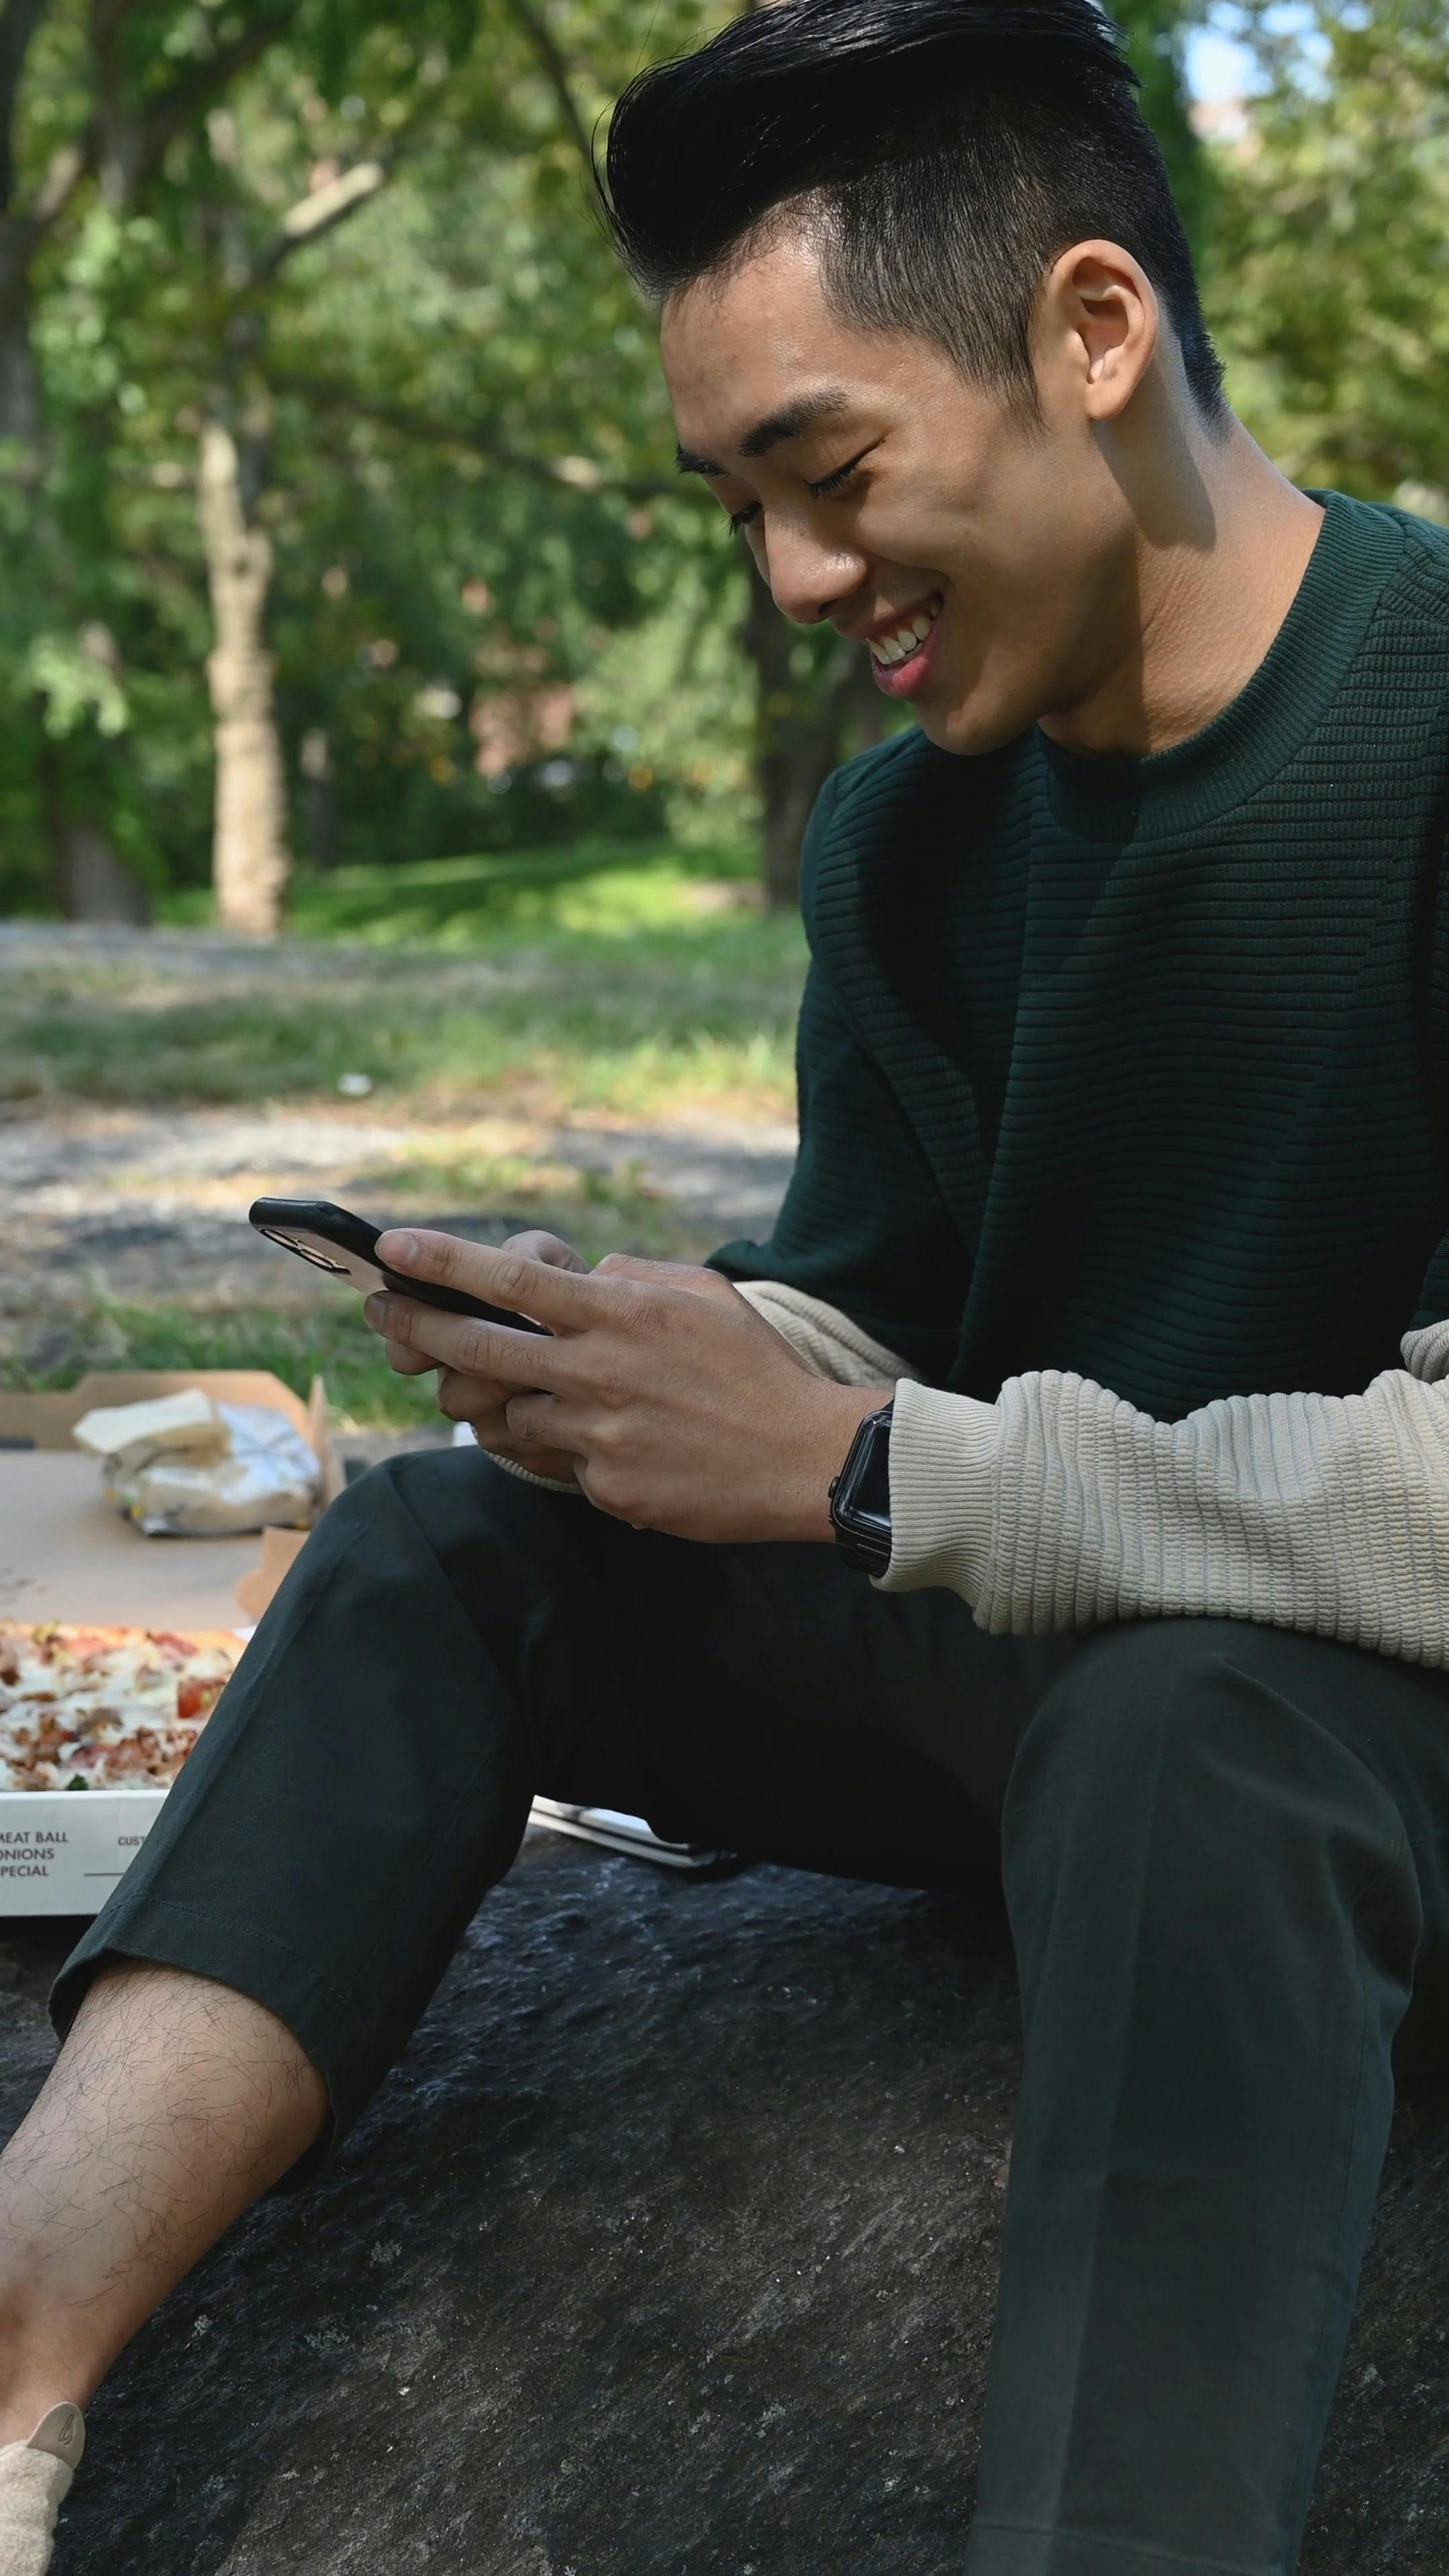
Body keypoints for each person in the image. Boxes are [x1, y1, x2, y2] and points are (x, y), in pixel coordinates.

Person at [4, 0, 1449, 2567]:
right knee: (443, 1546)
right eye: (737, 507)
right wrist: (663, 1358)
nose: (793, 580)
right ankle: (19, 2360)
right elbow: (889, 1331)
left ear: (1092, 334)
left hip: (1337, 1762)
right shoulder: (906, 836)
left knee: (1191, 1730)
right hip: (1050, 1684)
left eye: (831, 473)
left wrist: (885, 1466)